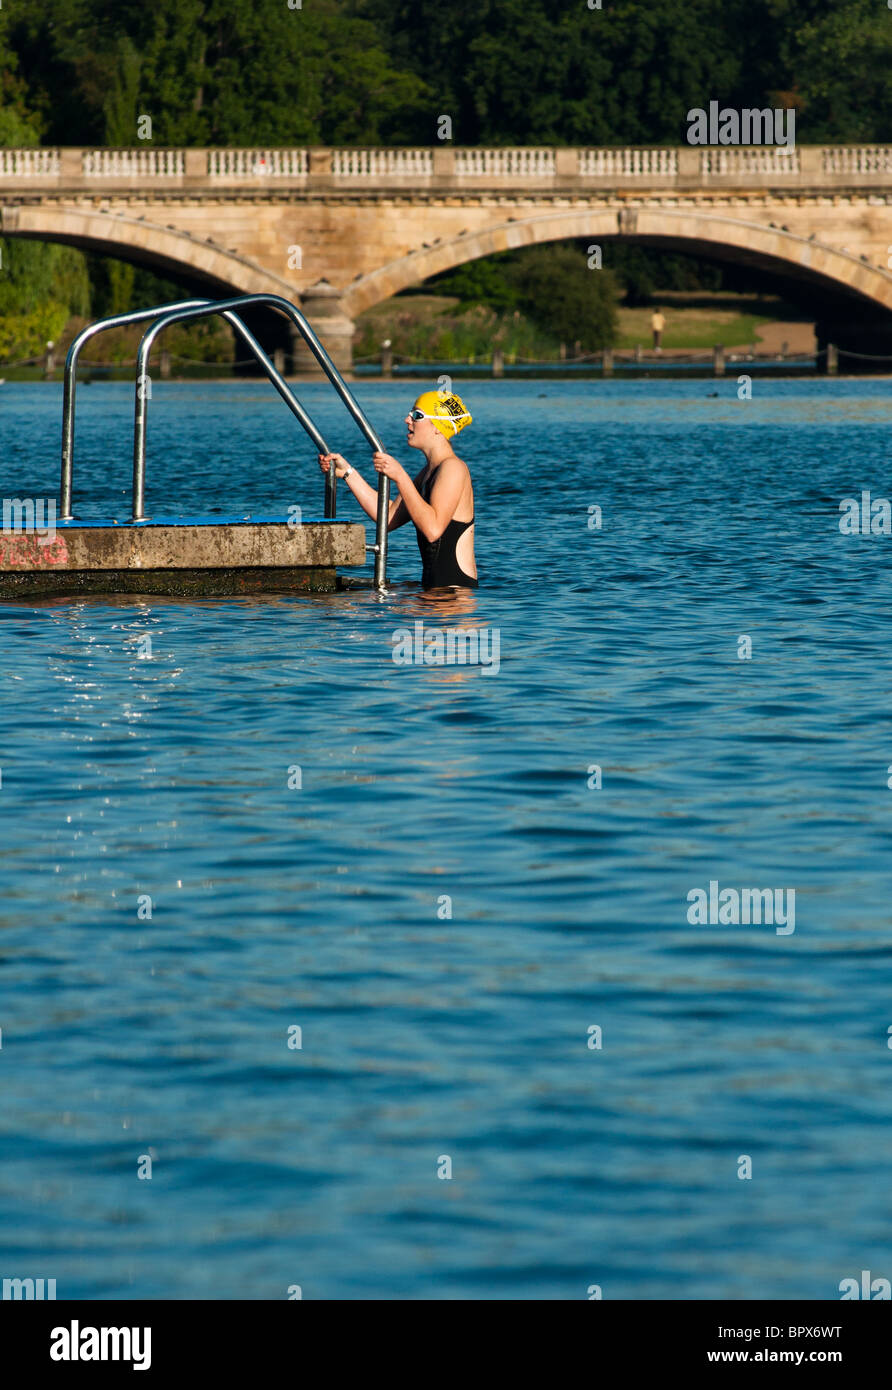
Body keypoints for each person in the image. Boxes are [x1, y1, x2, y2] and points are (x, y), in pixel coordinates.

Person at [318, 389, 478, 590]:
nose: (407, 420)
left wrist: (400, 476)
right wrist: (348, 473)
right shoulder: (429, 471)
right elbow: (387, 517)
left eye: (417, 416)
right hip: (435, 593)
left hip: (454, 598)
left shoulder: (453, 468)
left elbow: (433, 529)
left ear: (438, 427)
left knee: (365, 609)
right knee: (362, 604)